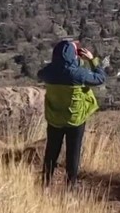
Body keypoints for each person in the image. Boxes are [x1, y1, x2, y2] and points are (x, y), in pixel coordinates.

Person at [37, 38, 106, 188]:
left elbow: (40, 73)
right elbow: (100, 78)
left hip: (54, 118)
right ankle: (70, 186)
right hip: (75, 119)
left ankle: (45, 184)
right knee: (73, 153)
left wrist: (57, 63)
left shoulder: (48, 73)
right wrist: (91, 60)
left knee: (51, 151)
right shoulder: (78, 74)